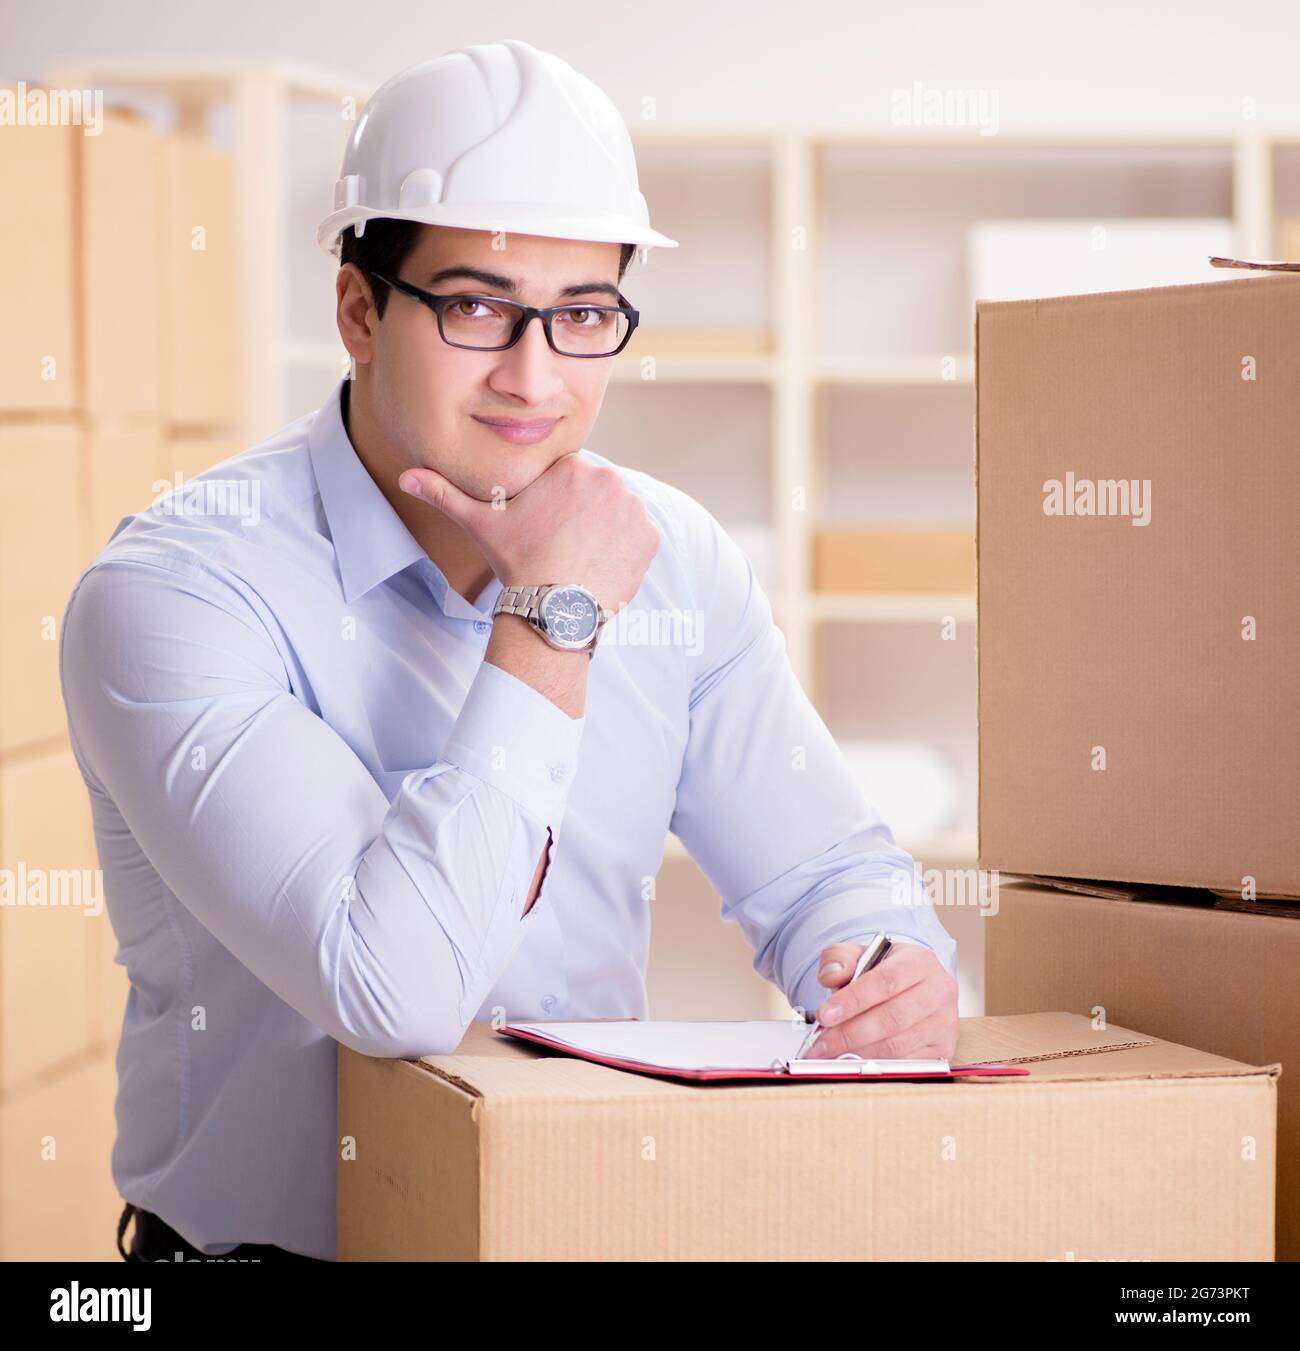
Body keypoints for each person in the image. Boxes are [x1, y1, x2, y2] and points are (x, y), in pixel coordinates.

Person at [60, 38, 958, 1264]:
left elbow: (826, 878)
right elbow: (396, 991)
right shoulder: (179, 590)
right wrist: (553, 618)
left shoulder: (676, 559)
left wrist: (882, 966)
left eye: (583, 314)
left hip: (569, 1236)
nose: (533, 378)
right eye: (477, 306)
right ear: (358, 310)